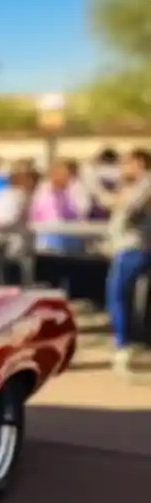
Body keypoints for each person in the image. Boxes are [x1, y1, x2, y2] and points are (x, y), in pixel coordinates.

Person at [106, 148, 151, 375]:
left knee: (118, 296)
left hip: (133, 247)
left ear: (139, 163)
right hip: (132, 246)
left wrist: (116, 199)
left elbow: (130, 209)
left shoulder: (145, 185)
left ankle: (123, 344)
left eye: (127, 163)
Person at [0, 160, 36, 285]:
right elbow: (2, 216)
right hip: (0, 236)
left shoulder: (11, 194)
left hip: (10, 237)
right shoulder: (12, 194)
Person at [31, 159, 86, 256]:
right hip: (45, 238)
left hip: (70, 238)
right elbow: (35, 212)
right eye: (56, 173)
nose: (59, 177)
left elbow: (81, 212)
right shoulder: (43, 189)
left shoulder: (76, 188)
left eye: (63, 174)